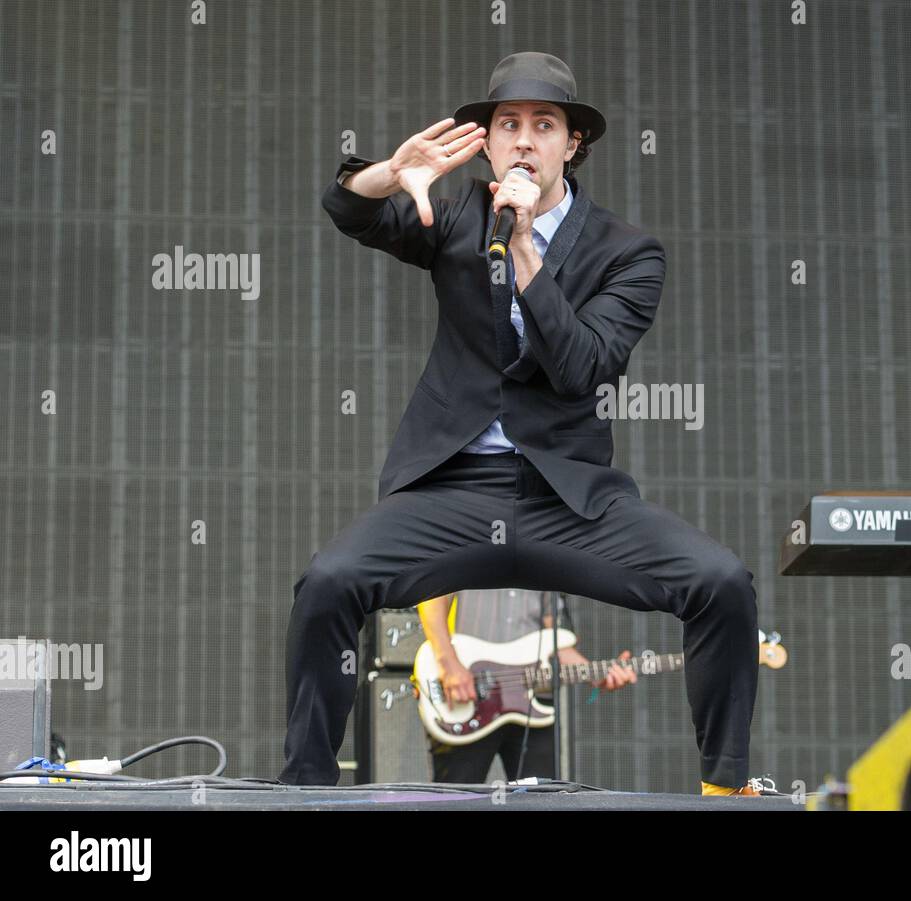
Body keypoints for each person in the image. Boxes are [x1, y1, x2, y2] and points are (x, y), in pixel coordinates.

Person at [281, 52, 759, 795]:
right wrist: (386, 171)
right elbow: (351, 211)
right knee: (328, 583)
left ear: (573, 145)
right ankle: (304, 791)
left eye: (545, 125)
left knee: (722, 583)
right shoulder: (458, 212)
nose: (525, 140)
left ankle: (726, 788)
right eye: (509, 125)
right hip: (450, 491)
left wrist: (527, 243)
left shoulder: (627, 251)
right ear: (491, 142)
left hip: (568, 498)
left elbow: (581, 366)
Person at [417, 589, 634, 783]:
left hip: (532, 705)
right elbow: (431, 595)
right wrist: (449, 663)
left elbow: (555, 640)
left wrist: (597, 675)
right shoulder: (468, 546)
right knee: (457, 797)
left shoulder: (546, 562)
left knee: (541, 799)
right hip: (469, 696)